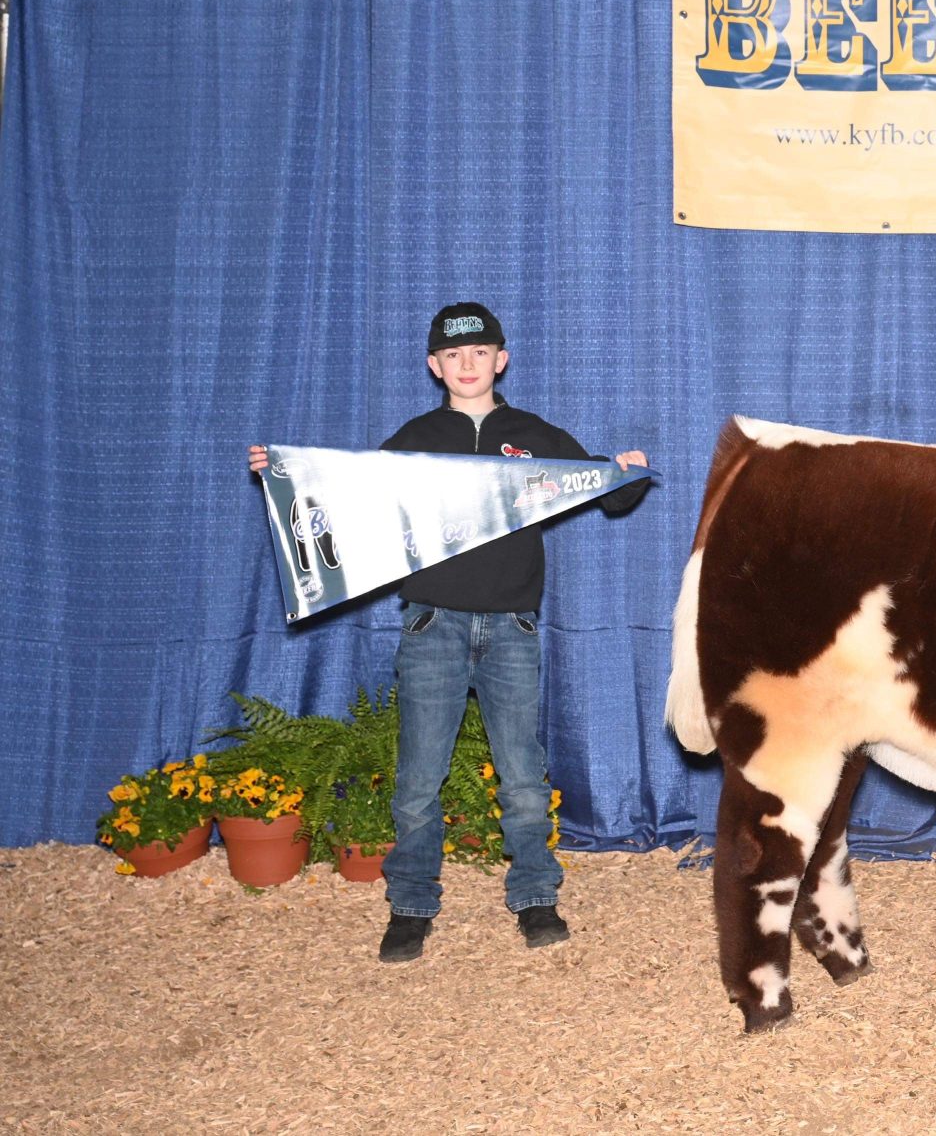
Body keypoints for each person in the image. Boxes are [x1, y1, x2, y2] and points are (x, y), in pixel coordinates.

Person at [249, 302, 648, 961]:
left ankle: (535, 895)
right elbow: (349, 502)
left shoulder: (533, 433)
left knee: (522, 773)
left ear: (501, 359)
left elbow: (609, 493)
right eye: (453, 356)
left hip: (513, 625)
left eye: (479, 353)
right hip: (432, 622)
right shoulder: (415, 435)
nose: (468, 365)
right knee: (417, 779)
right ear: (436, 365)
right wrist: (284, 478)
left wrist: (626, 471)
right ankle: (410, 904)